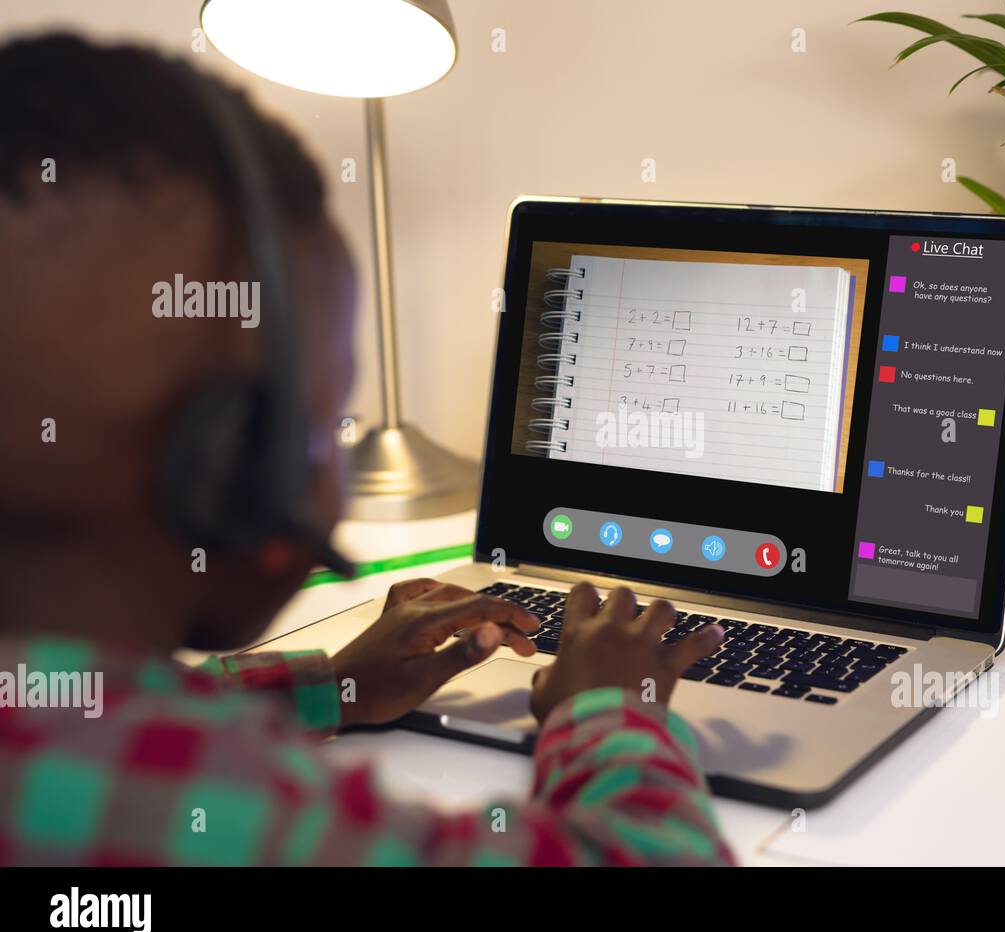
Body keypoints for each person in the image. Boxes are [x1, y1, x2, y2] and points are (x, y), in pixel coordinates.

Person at [0, 34, 731, 866]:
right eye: (322, 425)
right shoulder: (227, 812)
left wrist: (327, 685)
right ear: (232, 467)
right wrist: (607, 710)